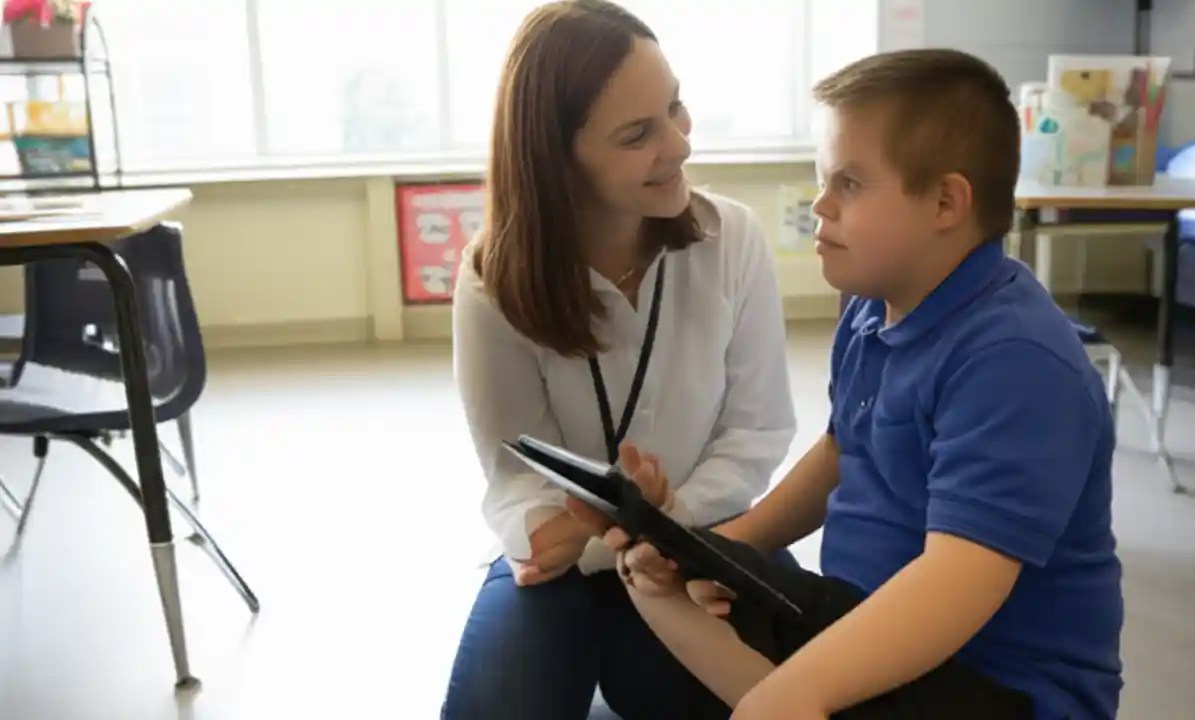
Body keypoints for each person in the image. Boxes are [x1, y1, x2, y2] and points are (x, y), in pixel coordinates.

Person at [572, 48, 1125, 719]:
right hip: (861, 614)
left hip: (995, 683)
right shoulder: (872, 305)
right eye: (821, 180)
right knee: (652, 605)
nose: (820, 205)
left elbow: (955, 585)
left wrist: (801, 689)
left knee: (738, 664)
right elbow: (842, 453)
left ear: (946, 201)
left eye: (849, 184)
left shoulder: (1016, 360)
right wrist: (725, 549)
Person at [441, 1, 797, 718]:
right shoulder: (493, 279)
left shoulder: (733, 241)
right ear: (557, 159)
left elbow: (757, 434)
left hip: (707, 542)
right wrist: (596, 537)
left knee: (716, 690)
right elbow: (518, 482)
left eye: (676, 108)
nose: (680, 146)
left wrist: (664, 523)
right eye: (639, 134)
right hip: (562, 569)